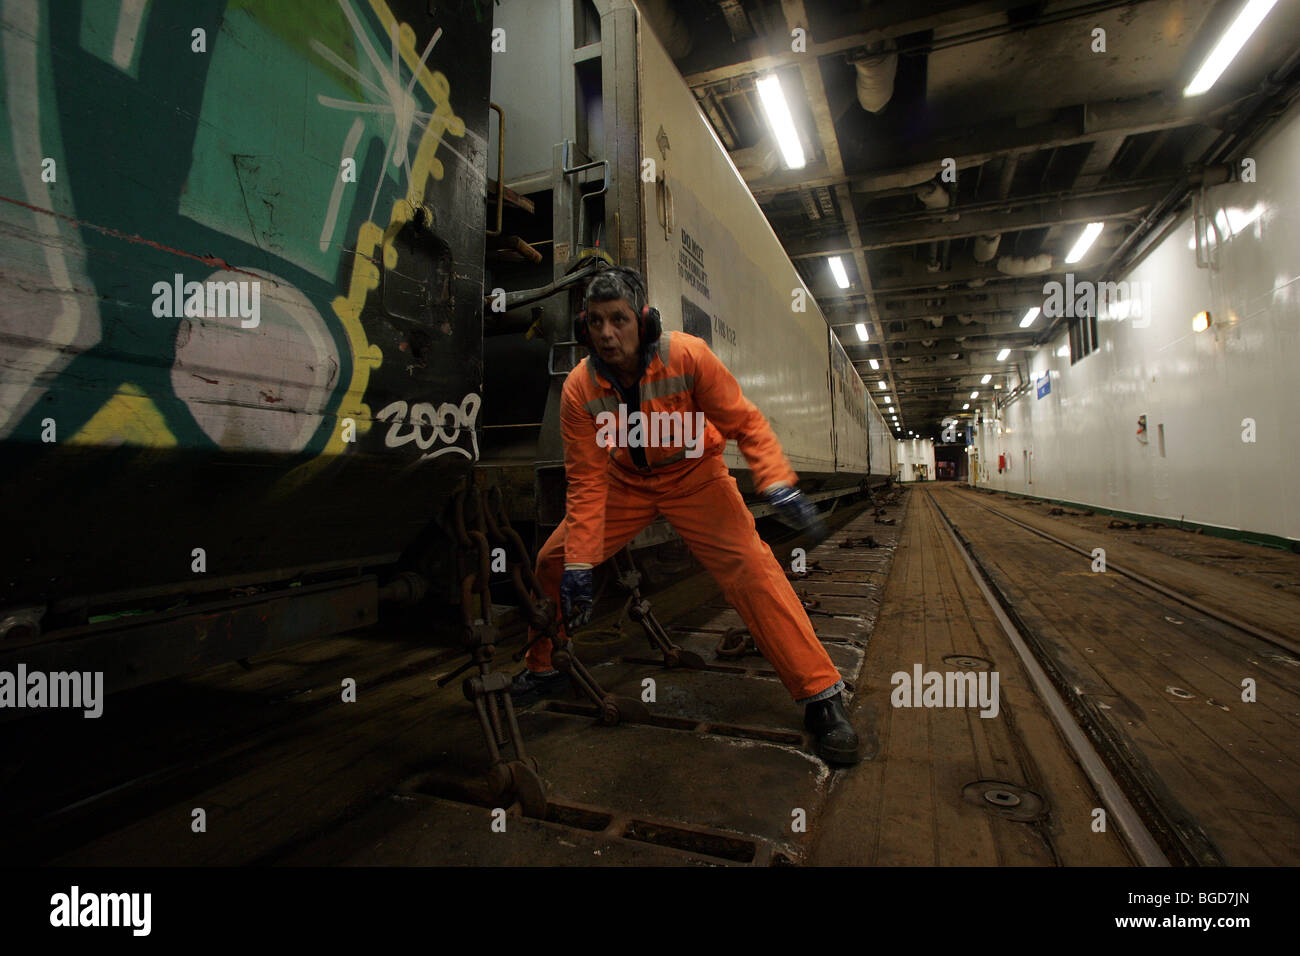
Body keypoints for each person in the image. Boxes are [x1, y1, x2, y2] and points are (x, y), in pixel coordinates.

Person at [512, 265, 859, 765]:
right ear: (583, 327)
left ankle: (822, 694)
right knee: (554, 560)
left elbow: (745, 422)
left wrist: (777, 482)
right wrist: (583, 564)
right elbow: (586, 483)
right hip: (624, 485)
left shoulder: (687, 356)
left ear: (644, 321)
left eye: (619, 320)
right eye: (595, 322)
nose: (607, 334)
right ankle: (545, 666)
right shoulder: (578, 389)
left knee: (752, 570)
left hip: (696, 477)